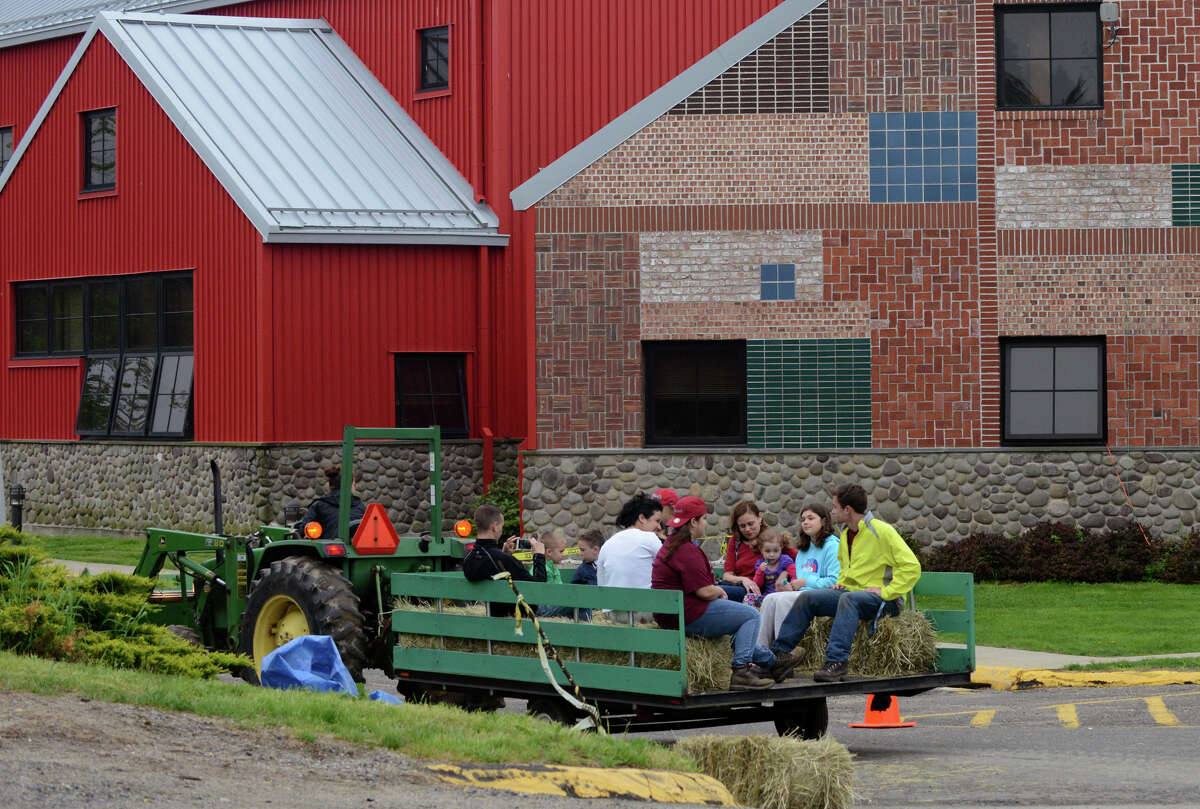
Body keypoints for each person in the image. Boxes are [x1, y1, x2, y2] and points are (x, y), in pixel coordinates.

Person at [767, 484, 921, 683]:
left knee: (849, 599)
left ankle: (836, 663)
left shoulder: (881, 531)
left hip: (884, 602)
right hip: (852, 596)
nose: (832, 511)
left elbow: (912, 567)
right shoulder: (846, 533)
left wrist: (886, 591)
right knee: (808, 597)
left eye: (835, 507)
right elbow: (846, 569)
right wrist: (840, 583)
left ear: (847, 510)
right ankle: (780, 655)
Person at [650, 495, 776, 689]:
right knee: (750, 616)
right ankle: (741, 670)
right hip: (688, 614)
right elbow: (704, 592)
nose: (705, 523)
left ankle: (771, 661)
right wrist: (717, 590)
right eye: (704, 519)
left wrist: (717, 591)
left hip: (673, 613)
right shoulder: (686, 550)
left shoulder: (673, 545)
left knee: (737, 621)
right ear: (693, 522)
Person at [756, 503, 841, 651]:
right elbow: (798, 580)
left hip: (821, 596)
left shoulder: (833, 546)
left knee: (783, 601)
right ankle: (760, 653)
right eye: (803, 519)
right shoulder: (803, 550)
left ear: (823, 521)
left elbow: (834, 581)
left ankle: (783, 655)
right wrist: (790, 585)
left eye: (810, 518)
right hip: (803, 593)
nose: (805, 522)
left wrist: (804, 582)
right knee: (770, 599)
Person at [462, 504, 547, 617]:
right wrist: (539, 555)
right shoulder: (502, 559)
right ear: (494, 527)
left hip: (495, 615)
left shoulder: (469, 558)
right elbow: (538, 589)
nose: (501, 531)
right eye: (501, 527)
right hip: (526, 615)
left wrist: (504, 554)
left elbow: (492, 566)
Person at [719, 501, 793, 601]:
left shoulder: (771, 539)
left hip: (760, 591)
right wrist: (743, 579)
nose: (747, 529)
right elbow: (727, 575)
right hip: (741, 586)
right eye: (742, 526)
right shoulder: (735, 541)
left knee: (717, 591)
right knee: (712, 590)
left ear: (760, 518)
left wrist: (784, 575)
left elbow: (798, 559)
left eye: (750, 524)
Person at [596, 493, 663, 590]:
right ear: (642, 518)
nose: (659, 527)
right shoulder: (649, 537)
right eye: (657, 521)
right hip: (645, 603)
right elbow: (670, 567)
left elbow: (601, 584)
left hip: (612, 603)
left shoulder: (607, 544)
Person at [299, 465, 365, 539]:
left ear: (330, 486)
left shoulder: (319, 505)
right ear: (350, 486)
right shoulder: (360, 506)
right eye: (353, 484)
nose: (354, 487)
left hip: (328, 549)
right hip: (357, 548)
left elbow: (303, 531)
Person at [743, 533, 795, 608]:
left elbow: (794, 574)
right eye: (767, 551)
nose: (772, 555)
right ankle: (752, 617)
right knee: (749, 597)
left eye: (776, 551)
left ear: (781, 548)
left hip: (783, 595)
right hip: (767, 597)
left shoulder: (785, 560)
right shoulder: (761, 563)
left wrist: (792, 587)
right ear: (761, 550)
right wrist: (760, 571)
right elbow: (757, 584)